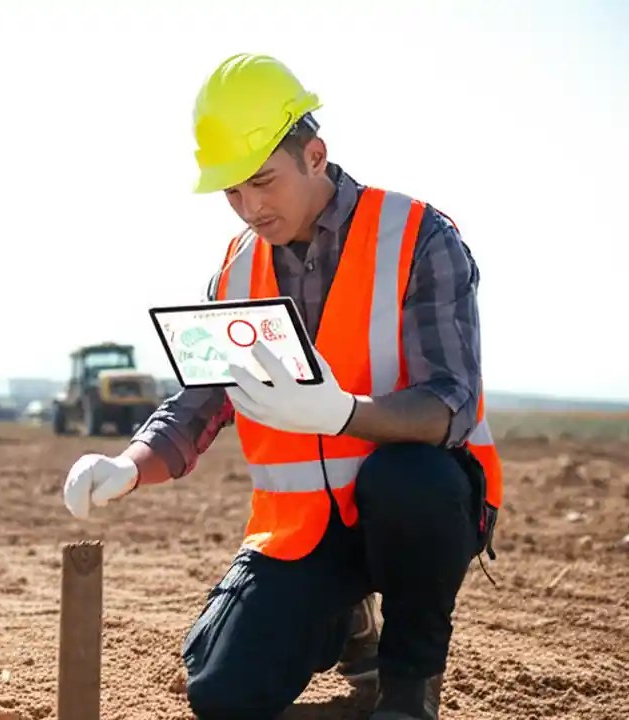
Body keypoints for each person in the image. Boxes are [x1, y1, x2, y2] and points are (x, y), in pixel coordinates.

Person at [61, 53, 504, 720]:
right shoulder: (235, 272)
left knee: (414, 481)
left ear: (315, 154)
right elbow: (198, 405)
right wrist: (127, 465)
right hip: (306, 532)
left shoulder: (418, 236)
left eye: (263, 182)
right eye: (233, 192)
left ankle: (408, 688)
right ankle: (346, 620)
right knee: (223, 694)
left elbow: (452, 401)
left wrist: (343, 413)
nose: (249, 208)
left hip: (416, 510)